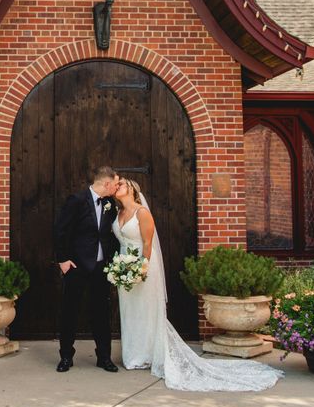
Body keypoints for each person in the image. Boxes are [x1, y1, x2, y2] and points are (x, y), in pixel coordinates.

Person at [111, 178, 283, 391]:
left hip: (143, 265)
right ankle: (134, 354)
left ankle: (148, 355)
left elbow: (147, 243)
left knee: (147, 310)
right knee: (131, 311)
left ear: (132, 190)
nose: (117, 187)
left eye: (121, 184)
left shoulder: (142, 213)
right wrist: (122, 269)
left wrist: (141, 268)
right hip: (124, 265)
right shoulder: (117, 214)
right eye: (116, 185)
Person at [53, 165, 121, 373]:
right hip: (77, 267)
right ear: (106, 183)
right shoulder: (77, 200)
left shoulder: (110, 203)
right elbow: (59, 230)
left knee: (101, 313)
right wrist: (63, 260)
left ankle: (104, 357)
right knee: (70, 312)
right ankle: (66, 356)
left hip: (101, 268)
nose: (117, 187)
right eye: (116, 183)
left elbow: (110, 235)